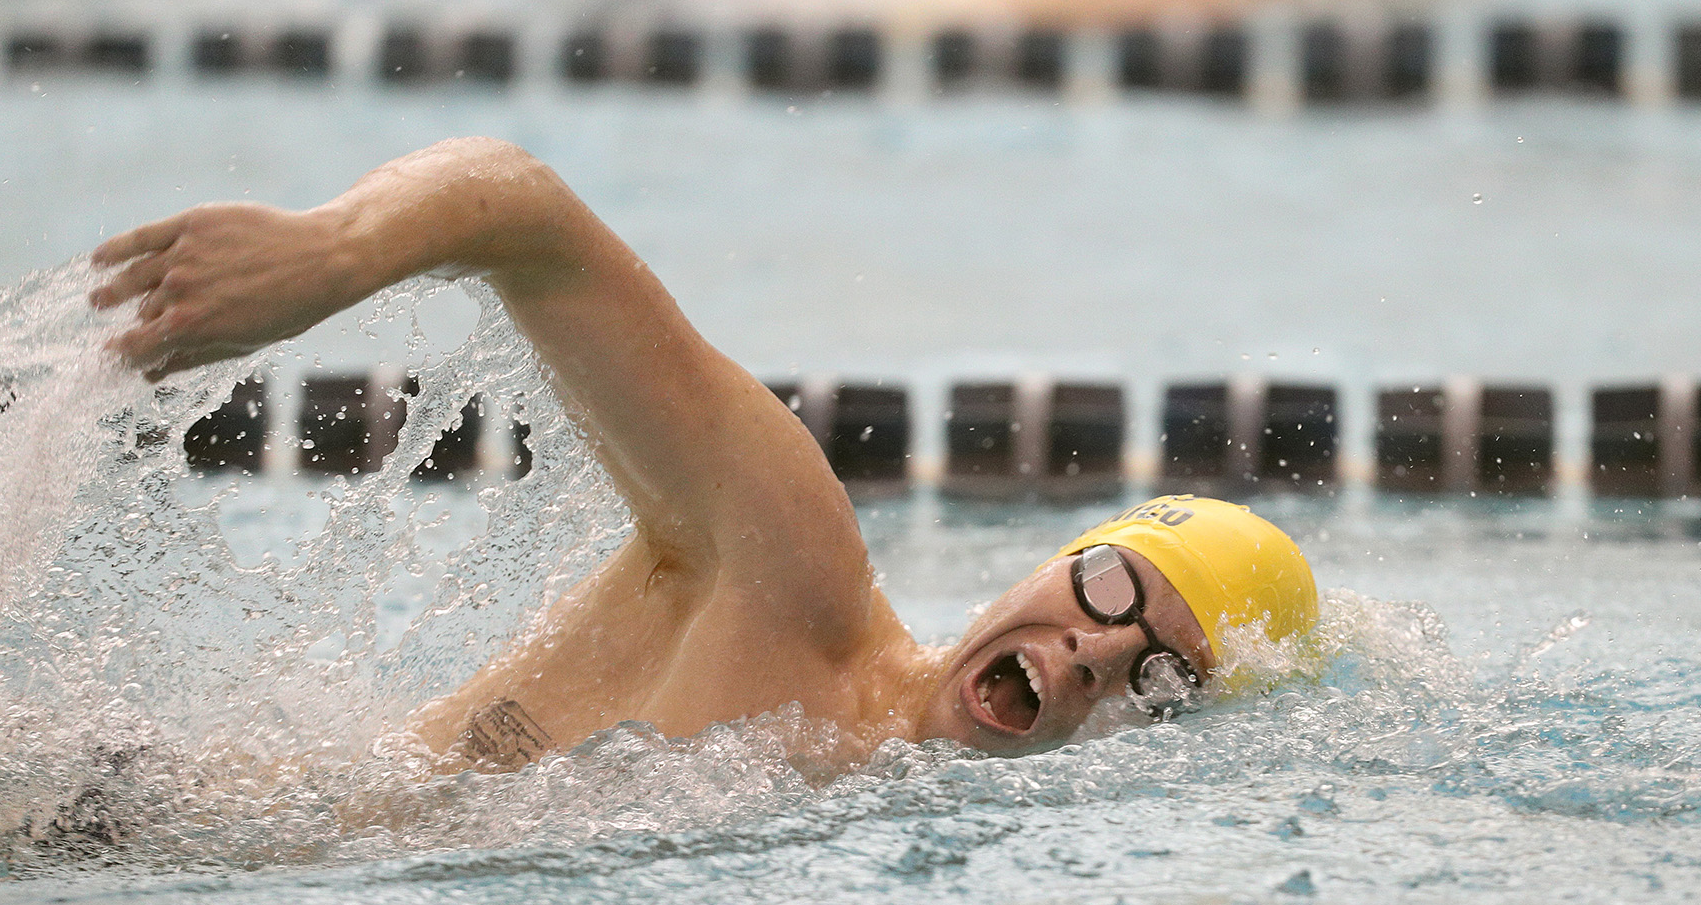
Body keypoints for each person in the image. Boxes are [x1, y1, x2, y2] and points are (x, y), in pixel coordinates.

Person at [88, 137, 1318, 768]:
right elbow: (525, 209)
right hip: (116, 821)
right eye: (1111, 592)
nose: (1099, 652)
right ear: (1055, 564)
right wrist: (337, 252)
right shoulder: (793, 577)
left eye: (1159, 675)